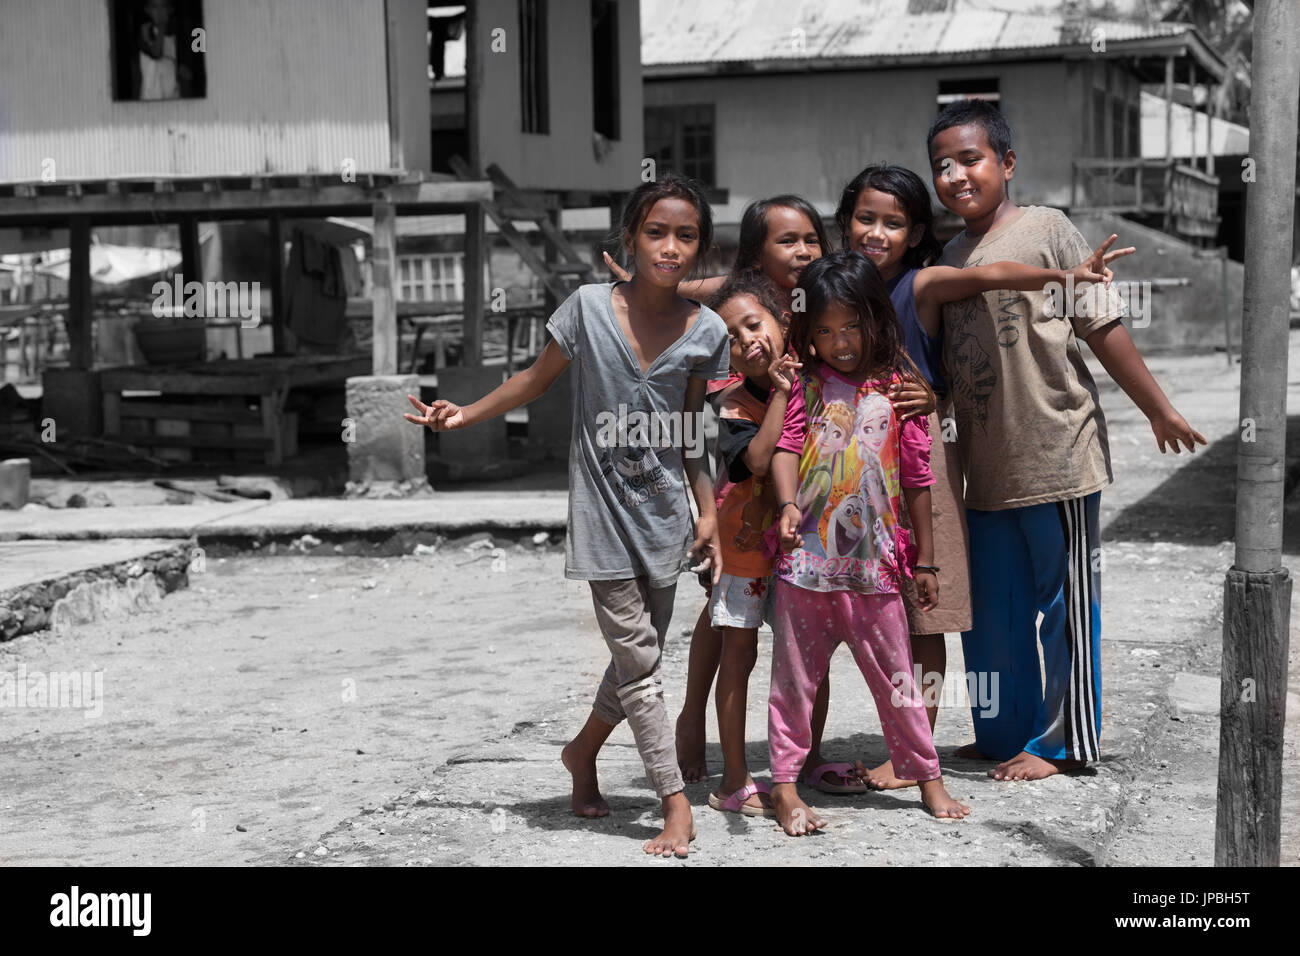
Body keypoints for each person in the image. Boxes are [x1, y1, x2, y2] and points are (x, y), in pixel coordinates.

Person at [404, 173, 730, 856]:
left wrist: (709, 513)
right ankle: (675, 805)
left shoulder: (707, 332)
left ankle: (581, 752)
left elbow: (695, 432)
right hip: (602, 517)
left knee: (633, 661)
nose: (670, 247)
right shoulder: (585, 308)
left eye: (686, 235)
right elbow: (534, 378)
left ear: (699, 247)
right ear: (630, 239)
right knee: (640, 663)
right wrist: (463, 414)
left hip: (665, 517)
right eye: (656, 232)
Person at [927, 99, 1207, 781]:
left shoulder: (1047, 230)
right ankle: (1001, 733)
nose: (956, 175)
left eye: (971, 158)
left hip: (1057, 455)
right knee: (991, 616)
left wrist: (1158, 410)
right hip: (986, 472)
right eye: (942, 165)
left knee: (1064, 609)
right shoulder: (948, 256)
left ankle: (1064, 743)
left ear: (1007, 163)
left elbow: (1102, 328)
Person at [832, 162, 1136, 790]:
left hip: (936, 470)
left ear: (916, 233)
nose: (878, 232)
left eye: (894, 222)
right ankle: (997, 732)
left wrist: (1061, 276)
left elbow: (992, 277)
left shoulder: (926, 282)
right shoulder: (838, 290)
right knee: (975, 614)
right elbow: (759, 283)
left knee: (933, 620)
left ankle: (958, 747)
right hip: (864, 480)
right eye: (866, 218)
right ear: (845, 223)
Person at [606, 196, 915, 793]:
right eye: (785, 242)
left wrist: (919, 400)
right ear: (756, 254)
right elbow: (741, 449)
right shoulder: (736, 338)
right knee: (726, 632)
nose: (802, 252)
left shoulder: (821, 316)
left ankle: (799, 758)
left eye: (810, 240)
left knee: (805, 650)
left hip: (811, 533)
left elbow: (879, 365)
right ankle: (697, 726)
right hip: (747, 523)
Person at [767, 249, 972, 835]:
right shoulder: (805, 385)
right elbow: (784, 448)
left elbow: (918, 478)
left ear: (877, 319)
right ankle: (784, 788)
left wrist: (927, 560)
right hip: (805, 568)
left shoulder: (900, 389)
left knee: (898, 681)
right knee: (793, 683)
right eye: (825, 330)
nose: (840, 341)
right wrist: (786, 504)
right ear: (809, 332)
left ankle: (928, 778)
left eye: (851, 325)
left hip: (875, 571)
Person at [700, 272, 801, 817]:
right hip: (743, 553)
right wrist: (783, 396)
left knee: (805, 660)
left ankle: (796, 768)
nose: (747, 341)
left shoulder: (819, 379)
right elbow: (760, 460)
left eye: (753, 324)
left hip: (803, 551)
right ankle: (734, 779)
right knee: (738, 657)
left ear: (783, 322)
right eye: (731, 340)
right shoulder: (732, 405)